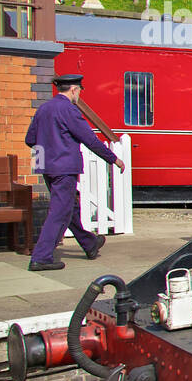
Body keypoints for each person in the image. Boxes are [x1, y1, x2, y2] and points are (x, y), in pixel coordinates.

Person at [23, 74, 125, 271]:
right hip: (65, 168)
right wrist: (113, 159)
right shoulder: (69, 110)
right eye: (79, 91)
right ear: (74, 90)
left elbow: (30, 139)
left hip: (46, 166)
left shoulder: (43, 108)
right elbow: (90, 139)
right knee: (59, 212)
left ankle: (89, 243)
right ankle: (41, 257)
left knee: (69, 207)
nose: (79, 95)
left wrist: (48, 149)